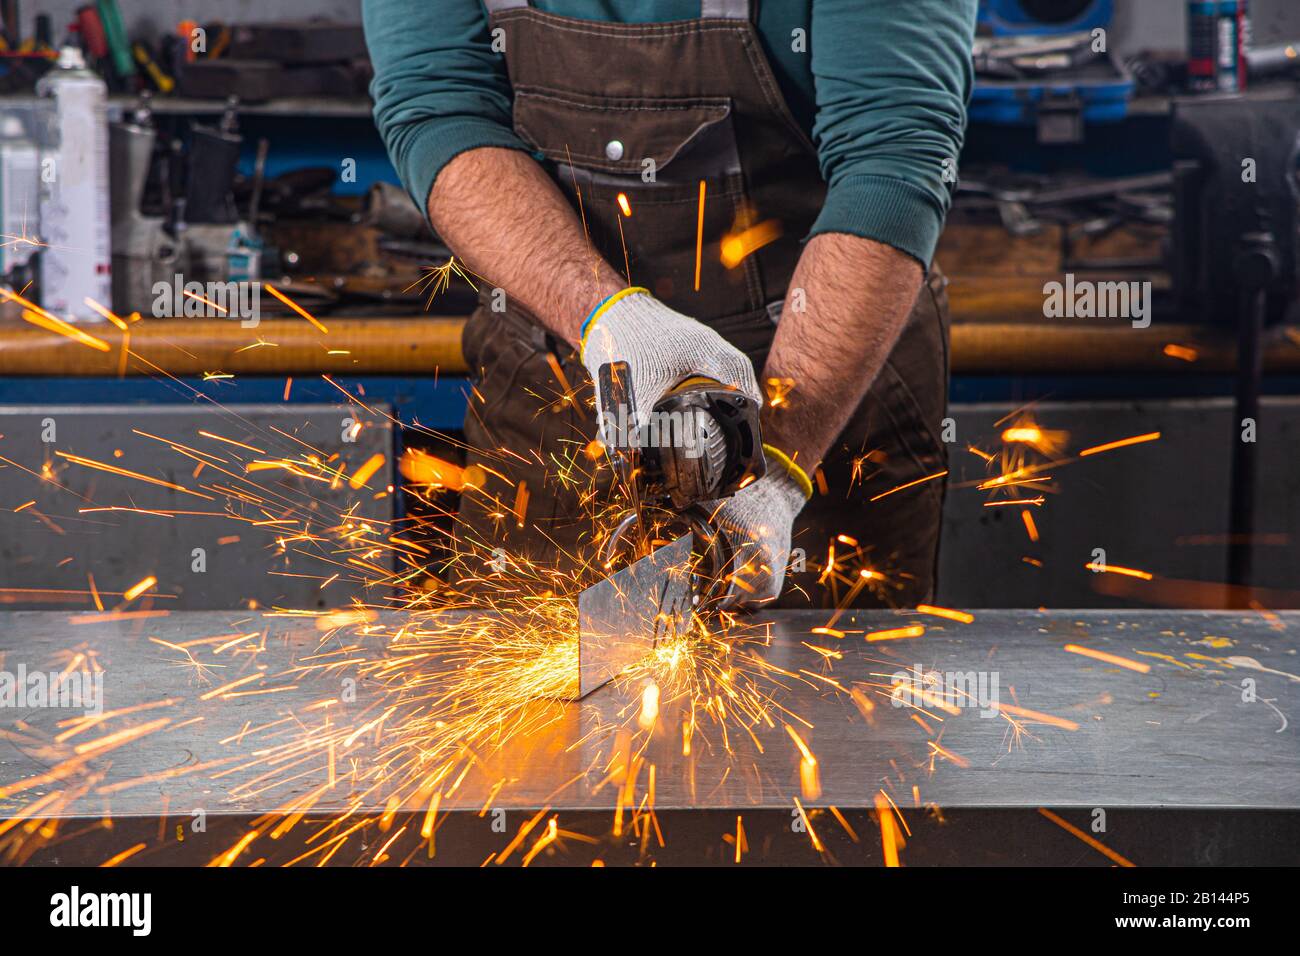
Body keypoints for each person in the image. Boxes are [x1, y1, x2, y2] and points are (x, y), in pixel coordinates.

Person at [364, 0, 977, 607]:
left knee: (824, 691)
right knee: (533, 687)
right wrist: (605, 314)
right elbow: (440, 108)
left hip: (820, 369)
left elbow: (891, 157)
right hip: (561, 358)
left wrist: (781, 465)